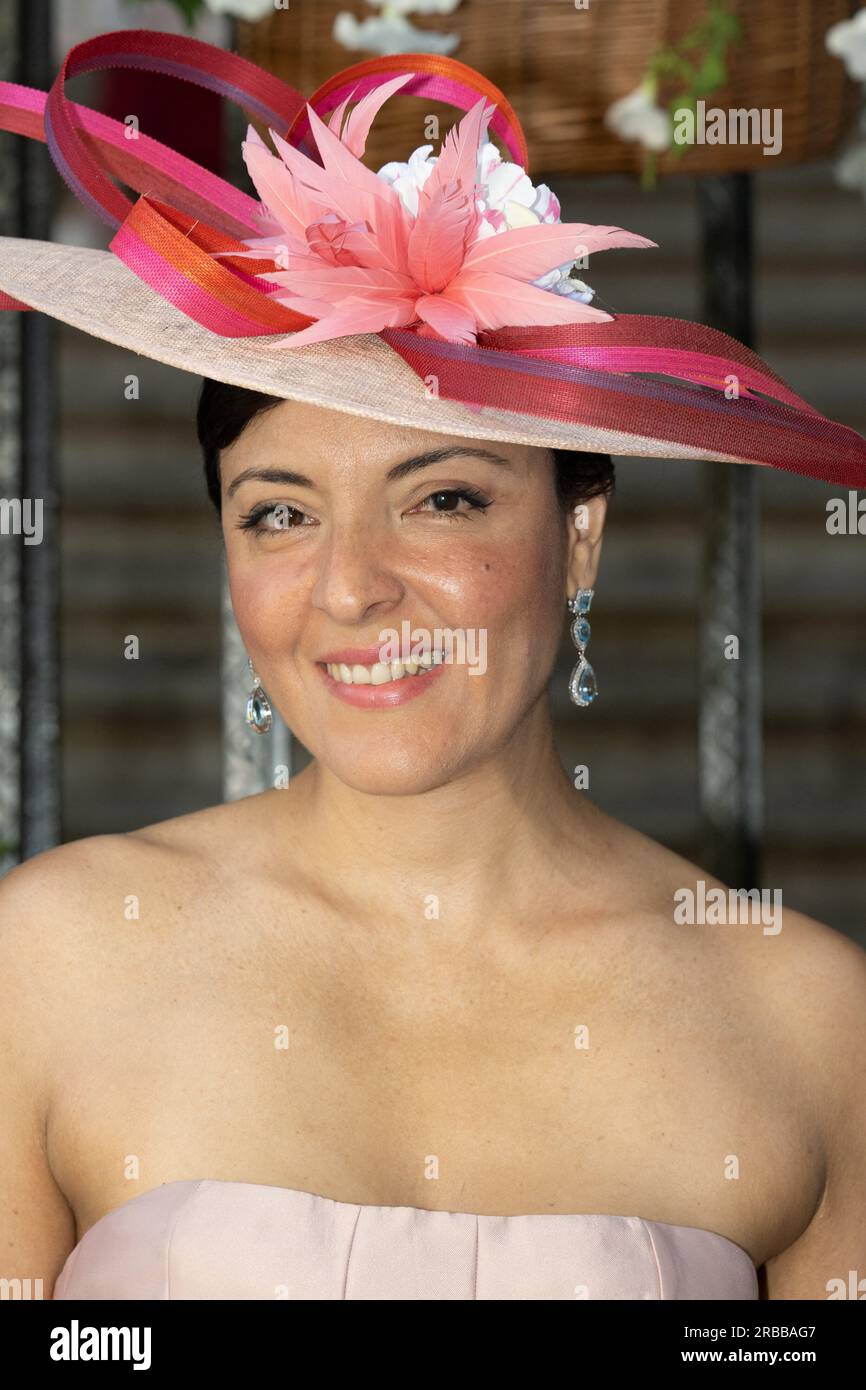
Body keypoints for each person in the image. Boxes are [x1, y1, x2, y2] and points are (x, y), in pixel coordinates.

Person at [0, 29, 864, 1301]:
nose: (349, 586)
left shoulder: (811, 1022)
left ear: (580, 533)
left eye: (443, 499)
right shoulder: (48, 958)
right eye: (279, 514)